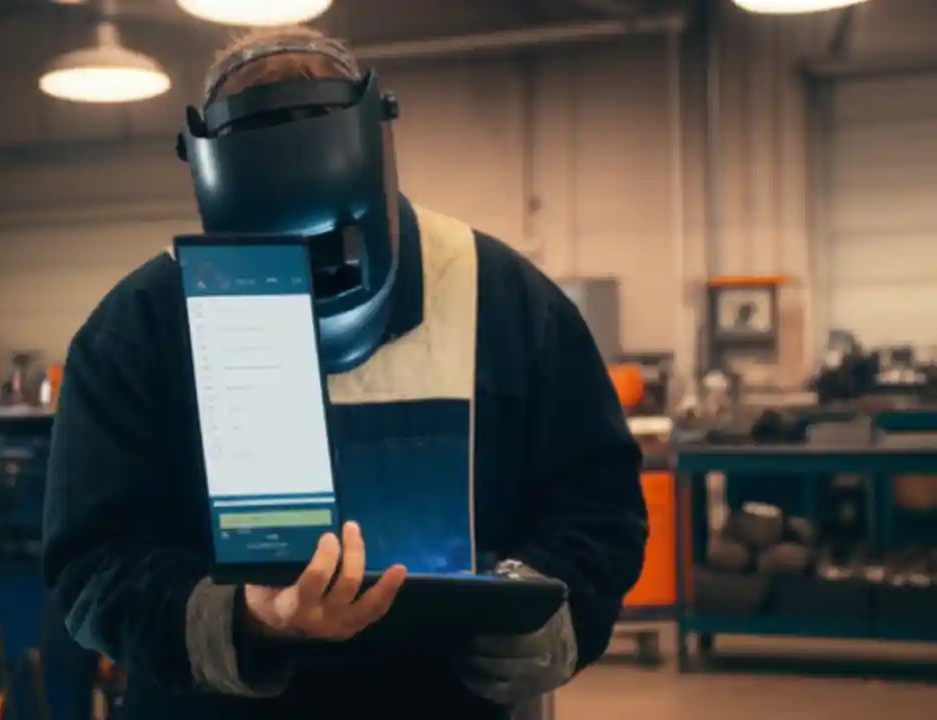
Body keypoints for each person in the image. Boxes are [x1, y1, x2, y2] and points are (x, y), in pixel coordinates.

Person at [44, 26, 647, 720]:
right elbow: (92, 562)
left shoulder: (503, 299)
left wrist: (542, 615)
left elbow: (598, 507)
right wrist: (244, 620)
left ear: (380, 147)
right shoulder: (139, 328)